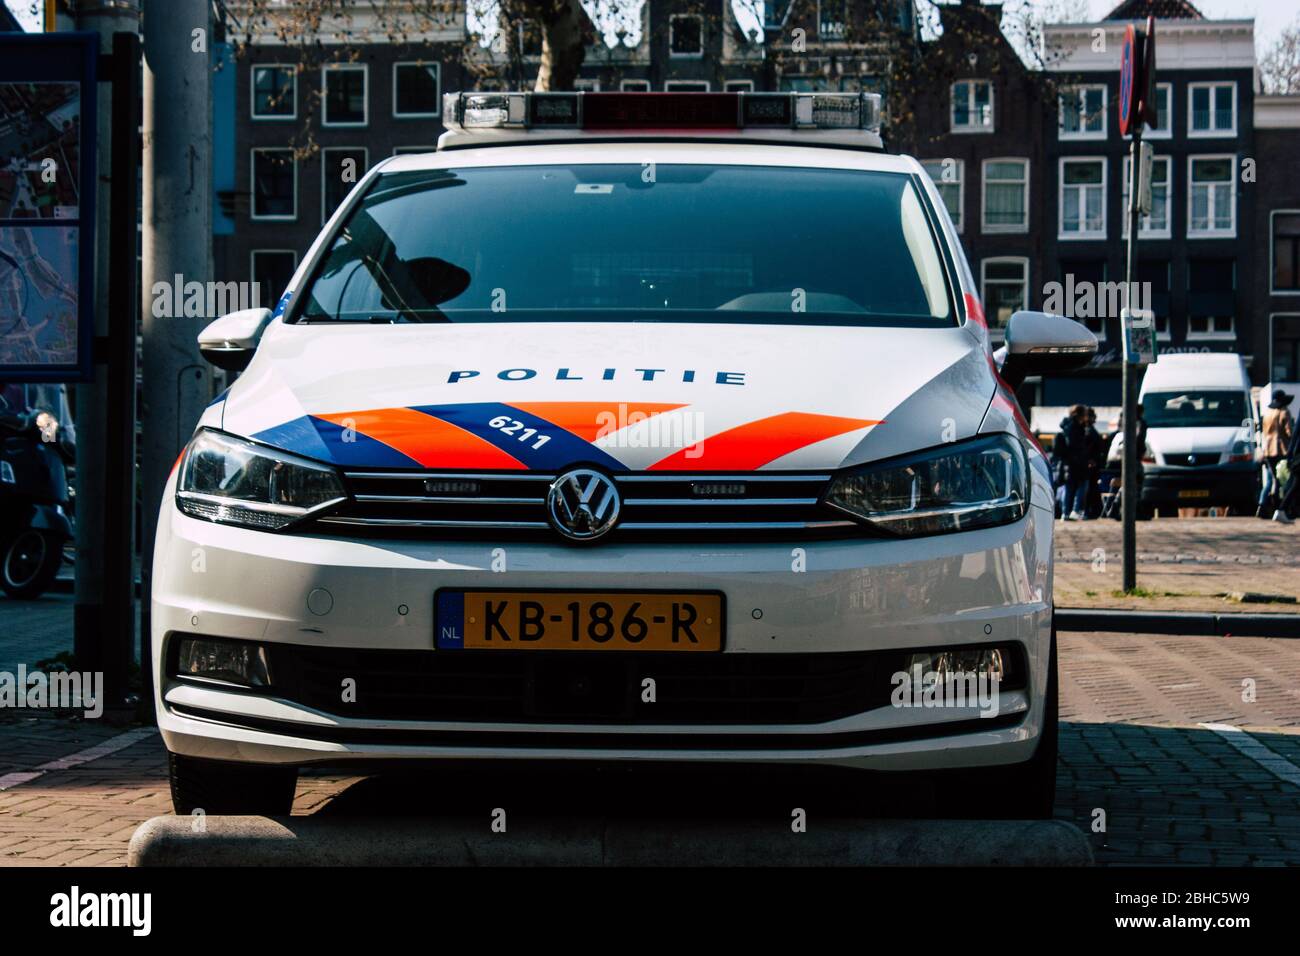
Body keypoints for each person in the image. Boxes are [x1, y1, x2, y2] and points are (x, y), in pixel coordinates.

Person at [1260, 389, 1294, 521]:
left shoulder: (1267, 413)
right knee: (1284, 479)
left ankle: (1262, 505)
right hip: (1281, 450)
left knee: (1270, 480)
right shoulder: (1284, 412)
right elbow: (1289, 432)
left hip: (1268, 450)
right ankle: (1281, 507)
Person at [1057, 404, 1091, 521]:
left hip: (1069, 462)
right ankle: (1075, 510)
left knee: (1069, 487)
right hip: (1077, 462)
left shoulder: (1068, 426)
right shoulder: (1075, 427)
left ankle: (1065, 512)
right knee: (1081, 485)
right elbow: (1076, 445)